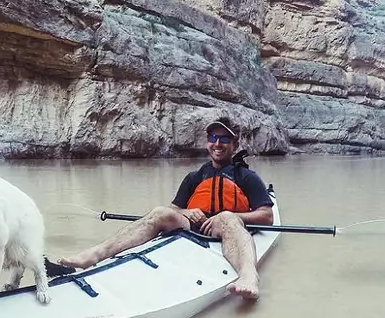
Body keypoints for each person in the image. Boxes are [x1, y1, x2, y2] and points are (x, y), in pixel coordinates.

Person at [58, 117, 275, 300]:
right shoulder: (195, 177)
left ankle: (248, 276)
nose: (218, 143)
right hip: (195, 225)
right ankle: (95, 254)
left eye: (224, 139)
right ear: (207, 142)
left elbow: (267, 216)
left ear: (234, 144)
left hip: (225, 226)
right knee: (160, 212)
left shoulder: (246, 177)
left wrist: (229, 216)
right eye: (213, 138)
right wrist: (186, 212)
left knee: (227, 217)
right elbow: (174, 209)